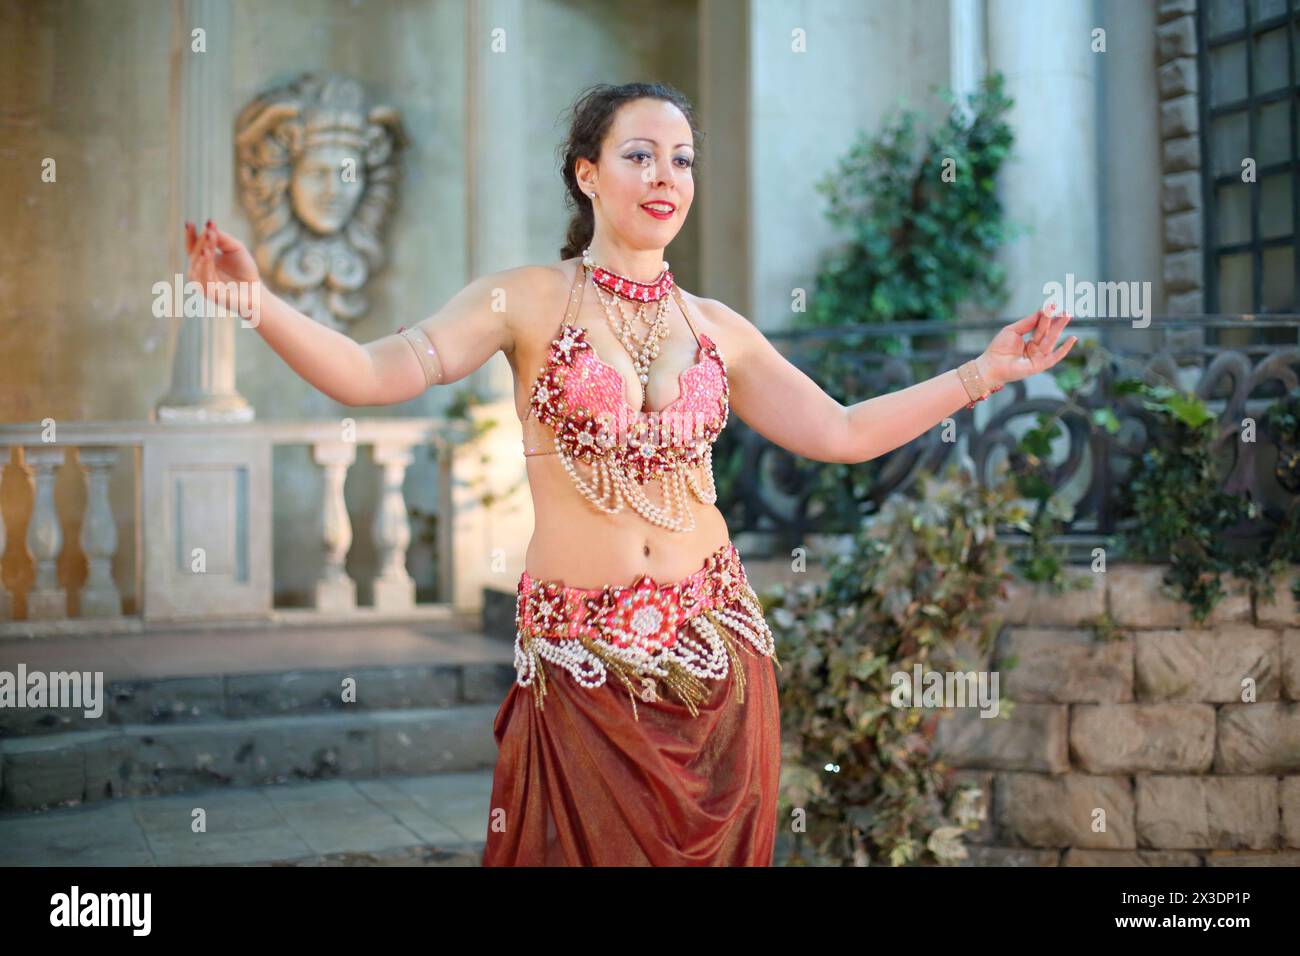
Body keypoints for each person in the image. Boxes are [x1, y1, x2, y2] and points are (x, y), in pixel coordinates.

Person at [184, 81, 1075, 867]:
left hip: (719, 658)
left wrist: (983, 375)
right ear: (587, 174)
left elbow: (839, 430)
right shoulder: (524, 299)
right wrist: (257, 304)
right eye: (640, 155)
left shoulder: (716, 325)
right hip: (586, 669)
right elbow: (376, 373)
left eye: (681, 160)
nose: (665, 178)